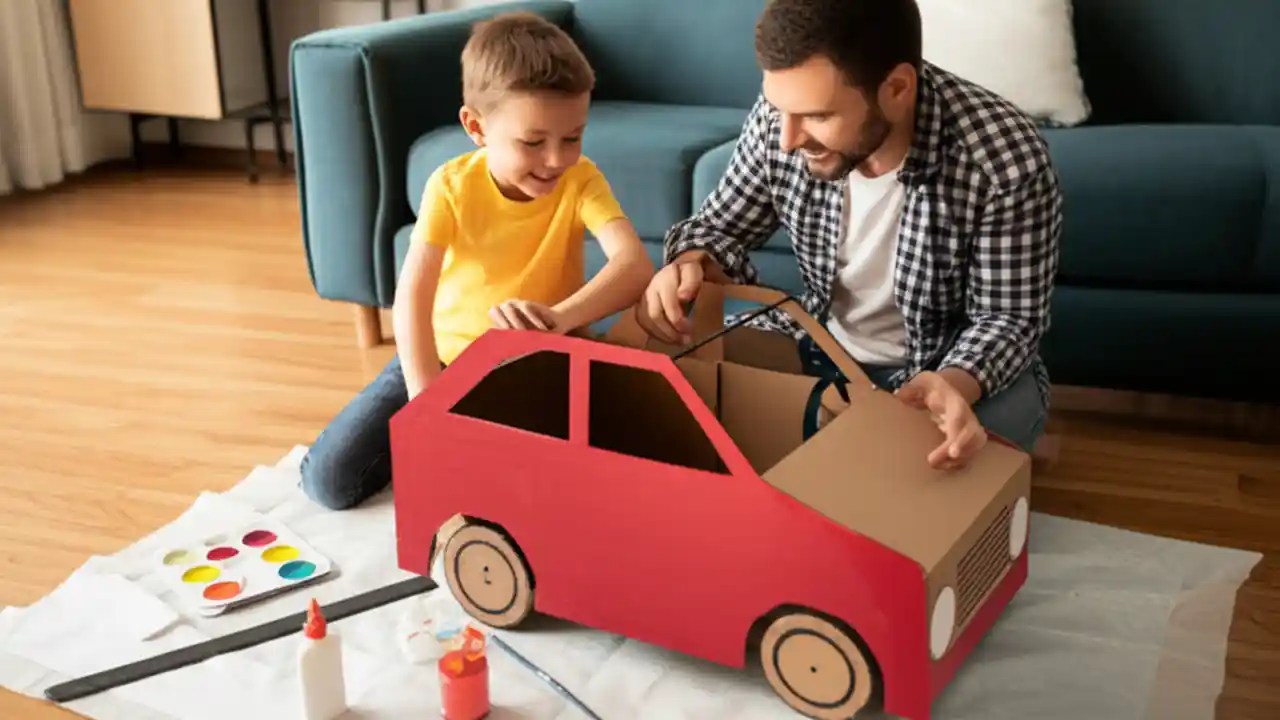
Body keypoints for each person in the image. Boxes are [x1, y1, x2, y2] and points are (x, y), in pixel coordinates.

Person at [637, 0, 1062, 470]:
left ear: (897, 90)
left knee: (959, 440)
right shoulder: (784, 118)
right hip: (819, 344)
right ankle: (858, 444)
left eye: (818, 116)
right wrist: (690, 263)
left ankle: (854, 443)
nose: (787, 140)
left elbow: (1007, 317)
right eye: (778, 109)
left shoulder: (1003, 157)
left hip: (945, 363)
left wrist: (954, 385)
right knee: (682, 383)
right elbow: (719, 228)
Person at [301, 12, 653, 510]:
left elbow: (634, 266)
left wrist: (558, 320)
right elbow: (412, 299)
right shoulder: (451, 186)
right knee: (330, 482)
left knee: (560, 482)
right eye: (533, 142)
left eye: (572, 137)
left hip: (541, 366)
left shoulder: (582, 180)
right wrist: (428, 401)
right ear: (476, 127)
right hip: (448, 361)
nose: (557, 159)